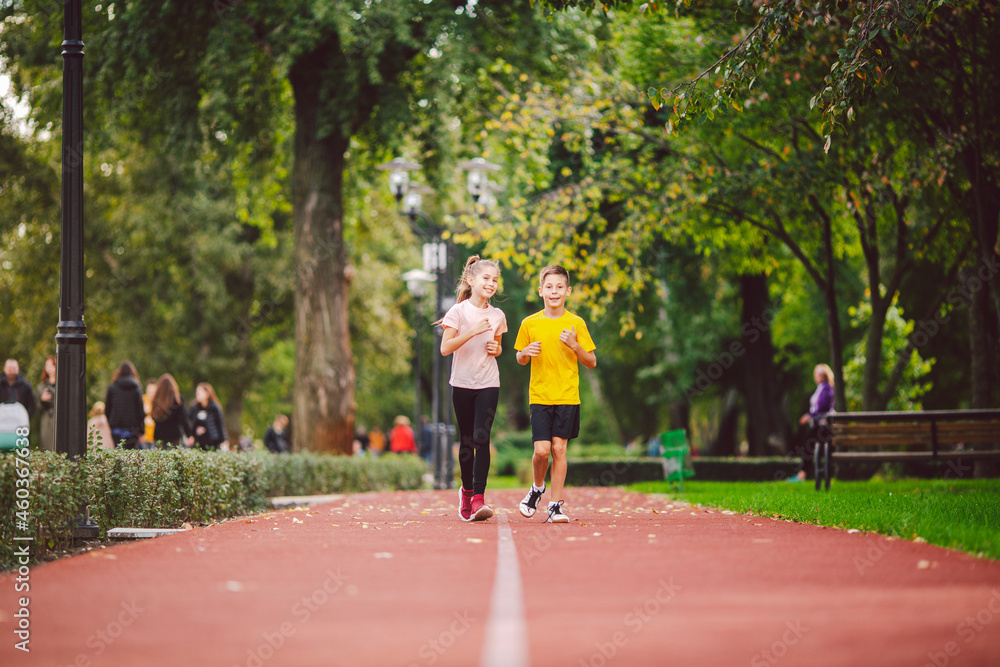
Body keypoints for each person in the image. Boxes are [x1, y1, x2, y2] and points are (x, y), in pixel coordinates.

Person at [514, 264, 597, 524]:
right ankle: (538, 488)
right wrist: (524, 353)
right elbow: (519, 358)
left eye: (559, 287)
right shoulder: (530, 323)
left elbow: (591, 361)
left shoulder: (576, 323)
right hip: (539, 396)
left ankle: (555, 506)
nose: (554, 291)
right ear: (541, 291)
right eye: (549, 287)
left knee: (559, 449)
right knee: (541, 451)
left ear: (568, 291)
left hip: (567, 396)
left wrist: (574, 345)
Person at [440, 255, 507, 522]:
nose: (491, 284)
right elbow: (445, 348)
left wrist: (497, 348)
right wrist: (472, 331)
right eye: (486, 278)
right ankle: (466, 491)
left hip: (489, 382)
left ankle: (479, 496)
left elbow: (497, 346)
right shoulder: (458, 312)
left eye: (495, 280)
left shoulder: (498, 315)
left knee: (482, 438)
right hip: (462, 383)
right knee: (467, 440)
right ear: (471, 280)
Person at [789, 363, 836, 482]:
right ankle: (804, 474)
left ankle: (803, 474)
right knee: (809, 448)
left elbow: (823, 407)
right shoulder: (822, 388)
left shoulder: (826, 389)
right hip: (818, 425)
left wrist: (809, 416)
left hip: (822, 426)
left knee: (808, 447)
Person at [104, 361, 146, 450]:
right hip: (132, 430)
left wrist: (110, 423)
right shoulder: (136, 388)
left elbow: (107, 409)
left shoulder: (112, 388)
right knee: (131, 455)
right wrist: (142, 430)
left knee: (118, 453)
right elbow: (140, 411)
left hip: (116, 428)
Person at [150, 374, 190, 448]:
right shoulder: (178, 400)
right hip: (174, 435)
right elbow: (183, 419)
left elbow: (153, 416)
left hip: (159, 435)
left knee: (159, 457)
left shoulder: (156, 400)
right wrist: (189, 435)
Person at [188, 382, 229, 451]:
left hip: (212, 441)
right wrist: (193, 432)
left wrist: (225, 440)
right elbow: (189, 422)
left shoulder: (214, 407)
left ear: (207, 394)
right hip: (198, 442)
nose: (197, 395)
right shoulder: (194, 408)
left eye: (200, 392)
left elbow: (220, 425)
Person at [36, 356, 57, 451]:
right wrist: (42, 400)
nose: (49, 368)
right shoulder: (41, 387)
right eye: (46, 365)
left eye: (52, 365)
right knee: (47, 447)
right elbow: (37, 408)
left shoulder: (64, 384)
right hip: (47, 421)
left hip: (60, 420)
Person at [142, 378, 157, 449]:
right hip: (144, 437)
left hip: (154, 437)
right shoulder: (142, 400)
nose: (151, 393)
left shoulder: (158, 403)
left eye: (153, 391)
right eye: (150, 391)